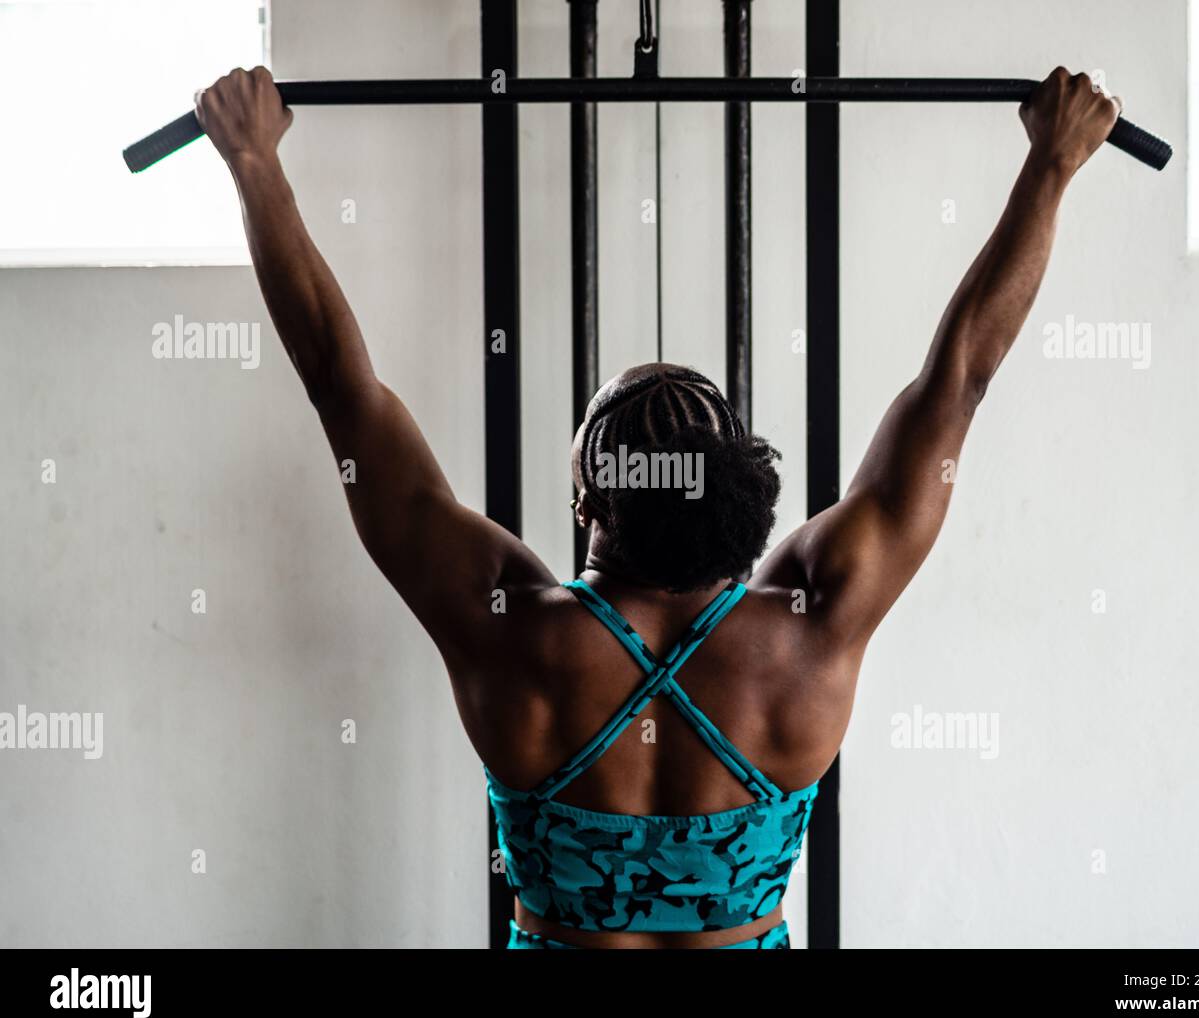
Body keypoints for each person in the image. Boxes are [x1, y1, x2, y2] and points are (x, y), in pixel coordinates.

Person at [194, 65, 1120, 948]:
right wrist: (1052, 165)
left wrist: (254, 163)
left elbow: (339, 387)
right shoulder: (813, 626)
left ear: (586, 494)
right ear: (735, 492)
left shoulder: (506, 626)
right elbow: (958, 382)